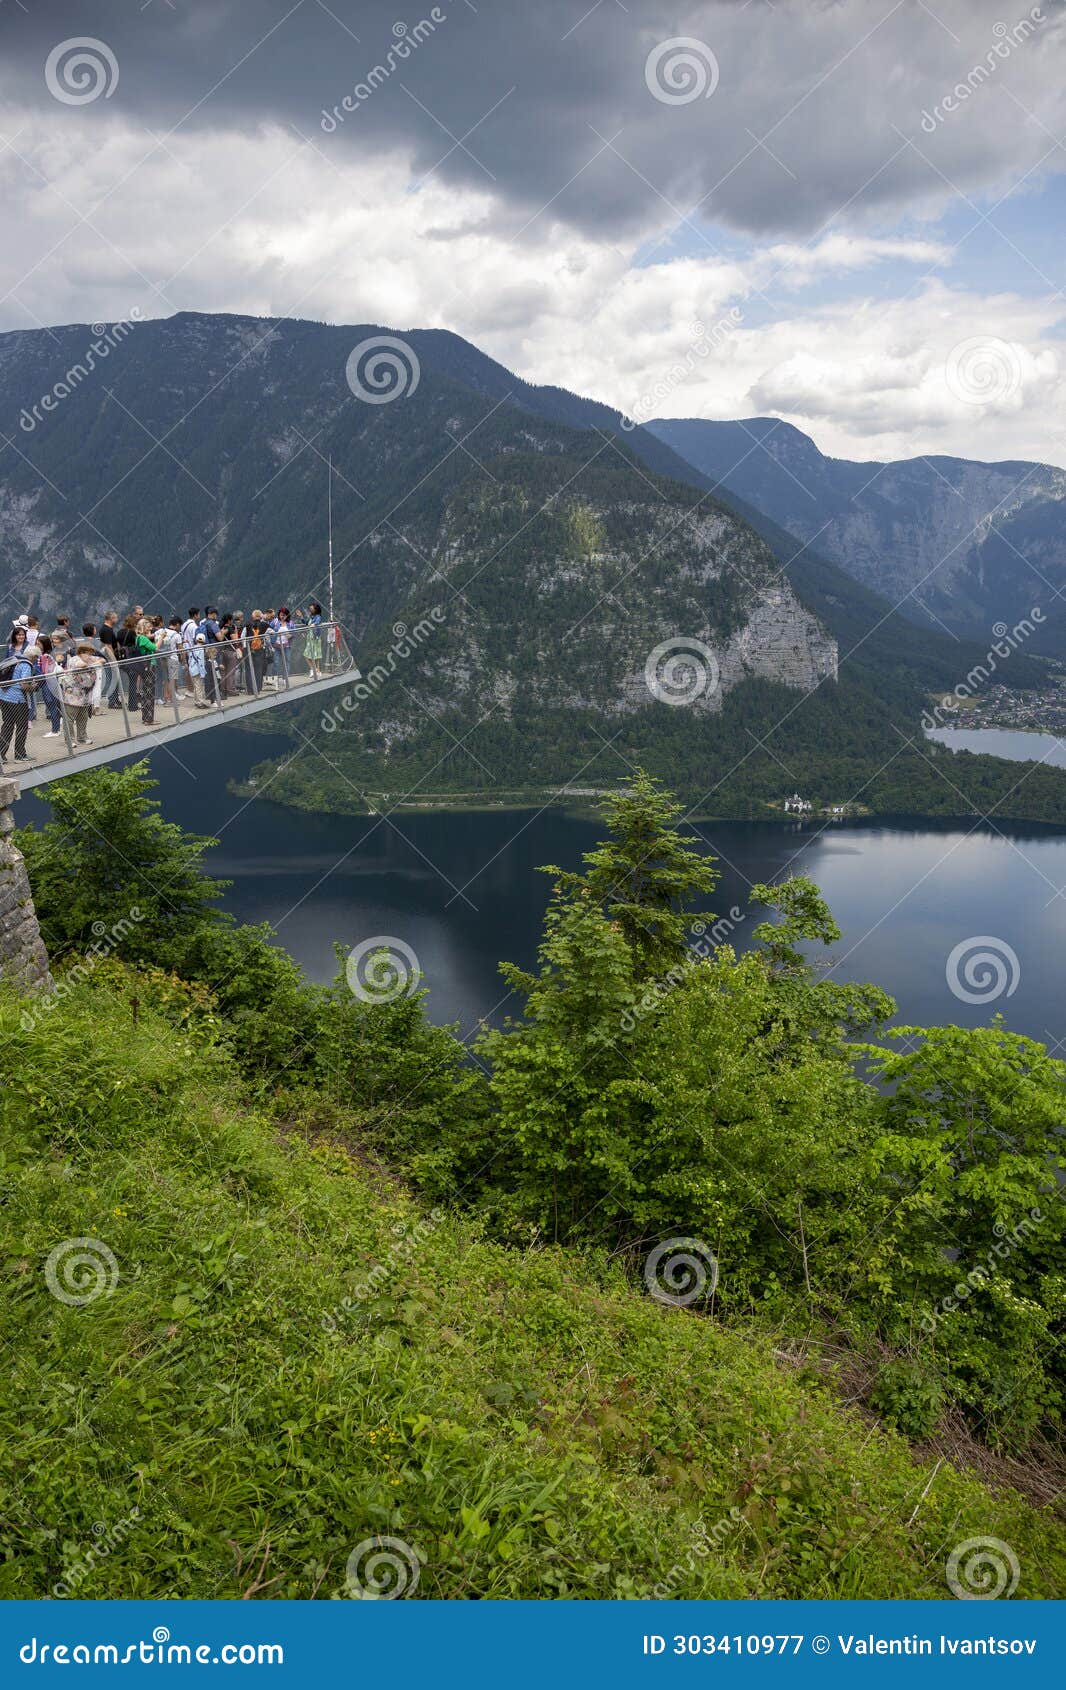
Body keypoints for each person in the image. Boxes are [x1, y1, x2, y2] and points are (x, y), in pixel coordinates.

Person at [59, 644, 101, 746]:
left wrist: (94, 661)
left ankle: (82, 737)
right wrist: (93, 662)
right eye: (88, 653)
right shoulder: (74, 659)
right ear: (82, 652)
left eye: (91, 653)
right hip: (73, 694)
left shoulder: (90, 659)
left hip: (85, 694)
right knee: (69, 718)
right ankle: (70, 740)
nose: (90, 656)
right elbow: (80, 665)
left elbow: (103, 660)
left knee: (83, 717)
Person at [0, 644, 34, 764]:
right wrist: (33, 687)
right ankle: (19, 755)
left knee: (7, 725)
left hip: (3, 697)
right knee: (22, 726)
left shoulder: (14, 660)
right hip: (18, 700)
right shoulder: (26, 665)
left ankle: (1, 754)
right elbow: (24, 685)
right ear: (33, 656)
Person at [36, 636, 63, 736]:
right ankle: (57, 728)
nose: (37, 645)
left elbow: (44, 671)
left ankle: (55, 730)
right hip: (52, 683)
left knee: (52, 707)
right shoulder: (50, 655)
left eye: (38, 644)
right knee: (55, 707)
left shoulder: (44, 656)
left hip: (47, 684)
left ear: (44, 644)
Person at [135, 617, 157, 725]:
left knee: (146, 692)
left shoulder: (139, 638)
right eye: (148, 627)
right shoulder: (143, 638)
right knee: (149, 693)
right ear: (144, 627)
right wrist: (161, 637)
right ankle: (149, 719)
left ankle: (146, 717)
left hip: (145, 666)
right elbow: (154, 647)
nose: (150, 629)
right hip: (149, 666)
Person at [99, 612, 123, 709]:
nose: (117, 619)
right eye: (115, 618)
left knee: (114, 678)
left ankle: (115, 700)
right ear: (110, 618)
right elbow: (108, 646)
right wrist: (114, 659)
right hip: (110, 658)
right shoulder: (107, 630)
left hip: (108, 658)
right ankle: (112, 701)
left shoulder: (106, 629)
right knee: (112, 679)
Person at [304, 600, 324, 680]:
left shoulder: (318, 616)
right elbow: (306, 623)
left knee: (307, 654)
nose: (310, 610)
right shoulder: (311, 617)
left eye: (312, 609)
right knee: (315, 655)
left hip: (314, 638)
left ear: (316, 609)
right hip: (310, 638)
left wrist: (313, 624)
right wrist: (301, 617)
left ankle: (313, 669)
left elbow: (318, 621)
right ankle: (317, 670)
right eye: (310, 609)